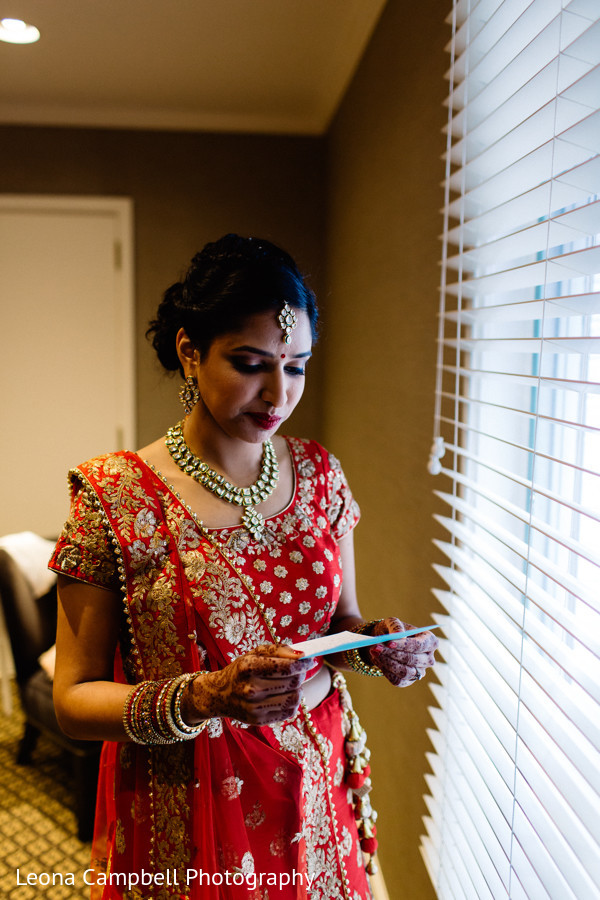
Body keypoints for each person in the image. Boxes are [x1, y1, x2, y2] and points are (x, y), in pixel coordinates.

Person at [50, 234, 438, 900]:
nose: (277, 393)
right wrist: (205, 697)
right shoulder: (113, 496)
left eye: (296, 366)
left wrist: (378, 651)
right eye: (251, 362)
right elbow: (73, 699)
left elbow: (338, 624)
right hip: (188, 790)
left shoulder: (320, 474)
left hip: (314, 779)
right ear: (189, 352)